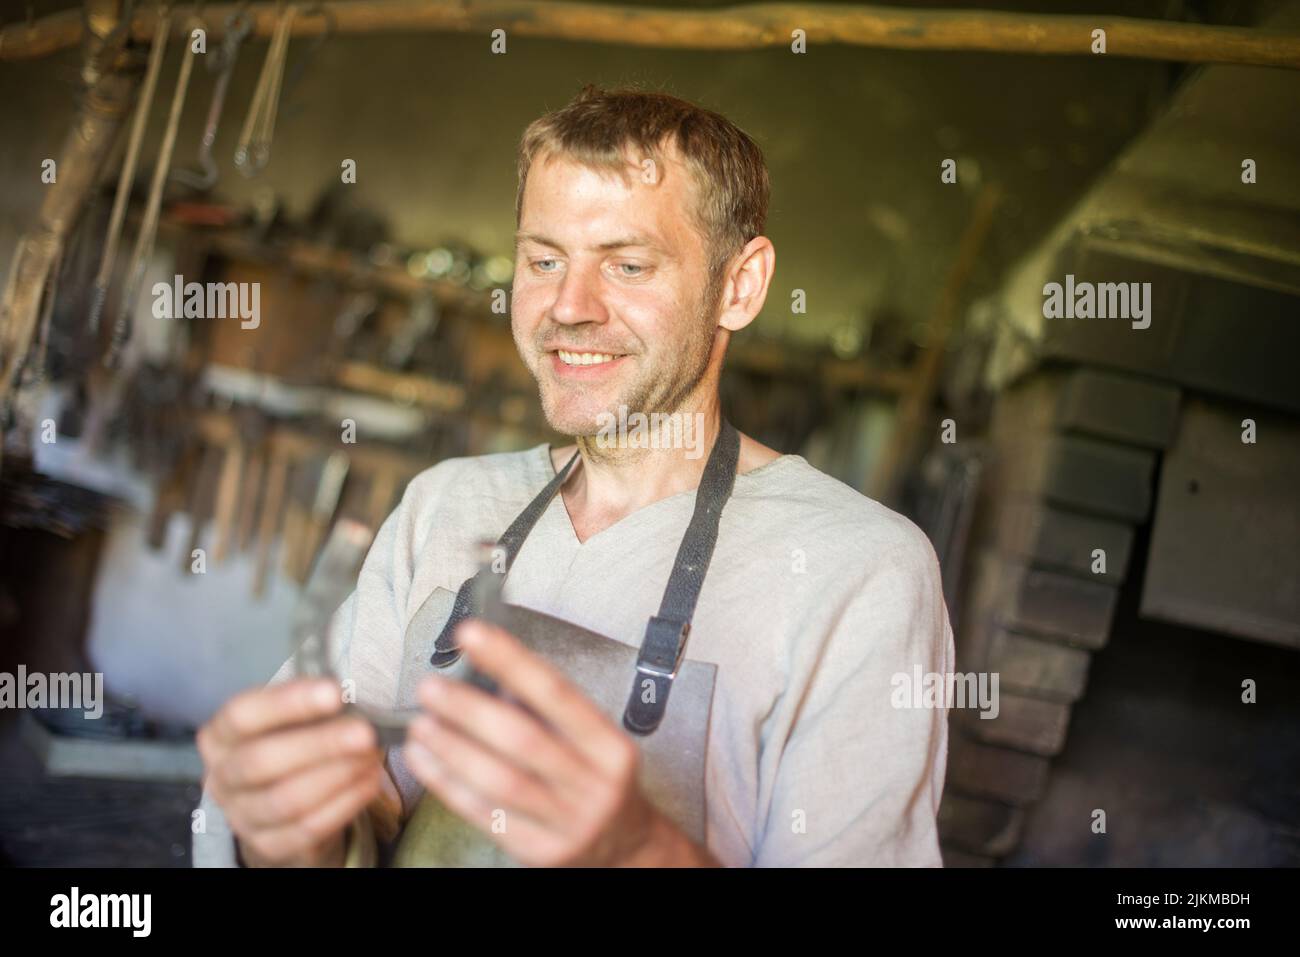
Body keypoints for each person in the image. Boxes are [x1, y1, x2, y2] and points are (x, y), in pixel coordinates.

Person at [194, 85, 954, 868]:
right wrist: (279, 831)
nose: (569, 306)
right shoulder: (446, 504)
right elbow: (323, 818)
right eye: (544, 259)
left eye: (627, 264)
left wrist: (637, 850)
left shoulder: (862, 570)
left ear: (741, 286)